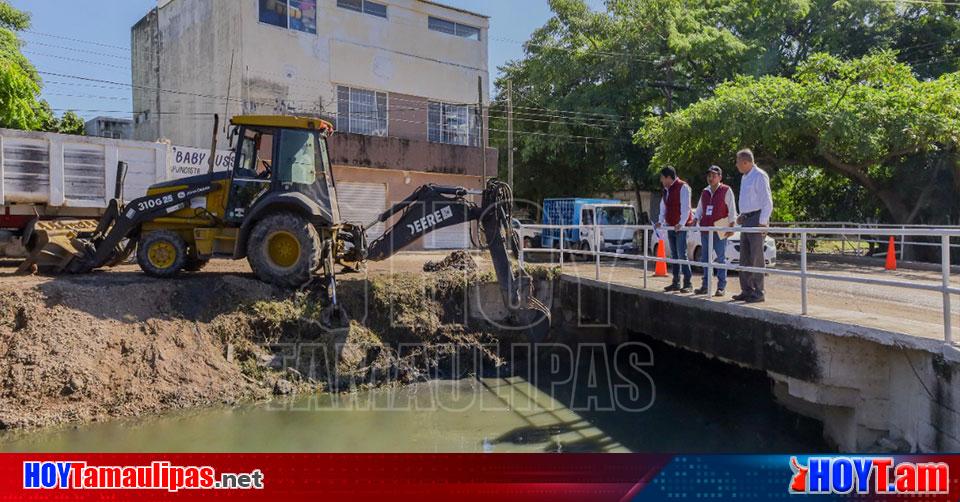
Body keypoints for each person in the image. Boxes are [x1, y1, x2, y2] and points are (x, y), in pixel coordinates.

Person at [733, 149, 773, 303]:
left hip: (756, 218)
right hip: (746, 219)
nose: (736, 165)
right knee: (744, 257)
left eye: (738, 162)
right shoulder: (745, 177)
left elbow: (767, 201)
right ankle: (746, 289)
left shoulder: (759, 175)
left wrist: (763, 222)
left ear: (745, 162)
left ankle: (759, 291)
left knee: (756, 257)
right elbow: (748, 200)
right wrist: (741, 215)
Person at [693, 165, 737, 297]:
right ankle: (705, 285)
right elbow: (700, 208)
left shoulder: (726, 190)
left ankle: (721, 287)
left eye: (713, 175)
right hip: (706, 229)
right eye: (709, 175)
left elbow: (732, 209)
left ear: (720, 177)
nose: (710, 178)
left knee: (721, 259)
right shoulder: (705, 192)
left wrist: (732, 225)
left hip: (720, 229)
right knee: (705, 258)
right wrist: (695, 219)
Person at [656, 166, 693, 293]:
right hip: (671, 226)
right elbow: (663, 207)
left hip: (680, 227)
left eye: (662, 178)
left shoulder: (683, 187)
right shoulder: (666, 190)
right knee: (674, 254)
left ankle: (688, 283)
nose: (661, 181)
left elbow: (686, 207)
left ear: (668, 177)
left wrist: (681, 223)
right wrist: (660, 221)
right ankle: (676, 282)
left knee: (682, 254)